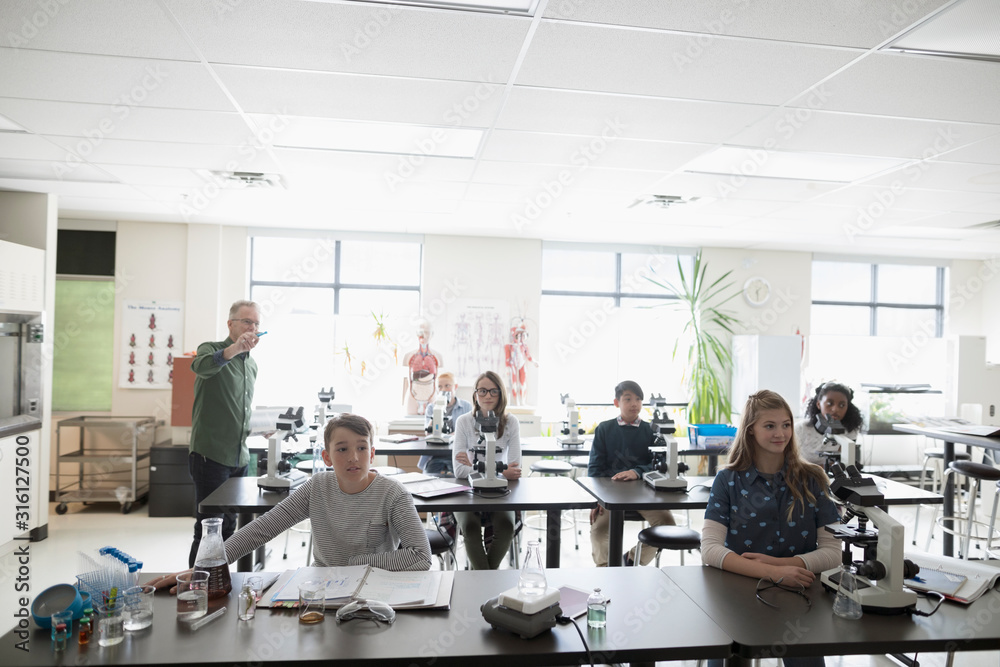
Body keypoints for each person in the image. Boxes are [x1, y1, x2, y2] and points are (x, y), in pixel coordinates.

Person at [150, 414, 431, 591]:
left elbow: (420, 556)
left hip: (374, 588)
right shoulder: (317, 487)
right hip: (323, 588)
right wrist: (206, 568)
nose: (353, 457)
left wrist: (355, 563)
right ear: (326, 457)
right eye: (342, 449)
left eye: (361, 447)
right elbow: (262, 529)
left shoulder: (392, 494)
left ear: (372, 452)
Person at [702, 390, 841, 667]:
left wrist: (782, 565)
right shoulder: (727, 480)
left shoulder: (813, 478)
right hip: (736, 591)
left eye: (786, 424)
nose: (781, 433)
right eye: (769, 426)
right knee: (726, 658)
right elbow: (710, 550)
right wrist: (774, 573)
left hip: (801, 591)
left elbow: (833, 552)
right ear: (750, 430)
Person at [187, 300, 263, 568]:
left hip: (239, 457)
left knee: (230, 526)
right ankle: (196, 584)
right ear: (230, 324)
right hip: (210, 455)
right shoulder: (210, 349)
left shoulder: (251, 365)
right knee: (209, 528)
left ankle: (223, 580)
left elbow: (238, 410)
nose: (252, 328)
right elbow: (201, 367)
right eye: (247, 321)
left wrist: (260, 427)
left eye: (256, 323)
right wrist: (234, 349)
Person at [588, 380, 676, 567]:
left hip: (644, 494)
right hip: (609, 495)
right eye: (628, 399)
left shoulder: (652, 431)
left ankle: (631, 561)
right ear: (616, 402)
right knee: (599, 531)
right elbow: (595, 468)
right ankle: (605, 570)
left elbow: (660, 465)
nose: (634, 404)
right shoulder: (604, 429)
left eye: (638, 399)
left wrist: (637, 472)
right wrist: (595, 499)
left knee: (667, 524)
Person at [451, 370, 522, 569]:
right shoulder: (464, 422)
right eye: (482, 391)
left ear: (501, 394)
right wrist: (500, 471)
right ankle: (488, 579)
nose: (488, 396)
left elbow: (515, 469)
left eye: (493, 391)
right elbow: (458, 471)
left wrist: (472, 466)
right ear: (475, 394)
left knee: (506, 527)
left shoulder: (511, 423)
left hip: (499, 491)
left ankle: (482, 577)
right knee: (470, 528)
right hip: (467, 491)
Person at [795, 381, 864, 467]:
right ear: (819, 404)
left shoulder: (850, 431)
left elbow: (842, 462)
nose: (835, 409)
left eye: (842, 405)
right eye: (829, 403)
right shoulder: (800, 429)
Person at [420, 371, 472, 476]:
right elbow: (428, 433)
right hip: (435, 455)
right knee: (429, 477)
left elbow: (469, 432)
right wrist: (436, 410)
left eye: (447, 386)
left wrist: (451, 436)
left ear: (455, 387)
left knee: (459, 477)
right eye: (440, 387)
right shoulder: (431, 407)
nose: (443, 390)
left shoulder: (466, 406)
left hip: (457, 453)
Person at [401, 318, 443, 415]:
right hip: (413, 395)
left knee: (433, 421)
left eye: (427, 332)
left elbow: (439, 381)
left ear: (432, 334)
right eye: (421, 332)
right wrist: (403, 401)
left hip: (431, 394)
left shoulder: (438, 357)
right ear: (416, 334)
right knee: (410, 422)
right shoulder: (408, 356)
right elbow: (405, 381)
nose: (423, 335)